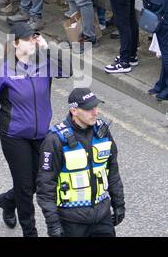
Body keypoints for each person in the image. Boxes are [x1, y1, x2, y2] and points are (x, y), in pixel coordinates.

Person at [0, 22, 56, 237]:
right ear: (16, 43)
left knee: (39, 181)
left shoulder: (45, 63)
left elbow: (70, 69)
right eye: (29, 39)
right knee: (25, 187)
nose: (33, 41)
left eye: (35, 37)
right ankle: (30, 232)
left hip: (41, 134)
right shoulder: (2, 68)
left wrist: (47, 48)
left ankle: (8, 201)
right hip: (14, 135)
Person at [36, 87, 124, 237]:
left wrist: (119, 204)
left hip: (102, 216)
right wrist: (53, 223)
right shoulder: (55, 140)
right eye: (89, 108)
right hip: (71, 221)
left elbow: (112, 171)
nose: (95, 112)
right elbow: (45, 186)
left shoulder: (102, 132)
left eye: (96, 106)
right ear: (74, 111)